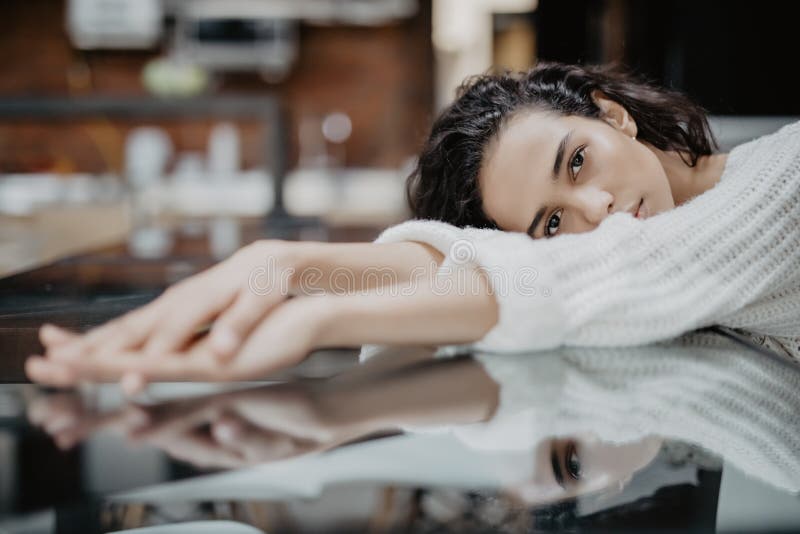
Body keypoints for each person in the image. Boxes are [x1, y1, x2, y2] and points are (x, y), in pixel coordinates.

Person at [26, 62, 800, 391]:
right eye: (551, 223)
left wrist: (320, 299)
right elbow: (510, 261)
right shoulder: (670, 246)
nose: (596, 214)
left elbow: (611, 273)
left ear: (613, 117)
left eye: (575, 162)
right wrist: (291, 269)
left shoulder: (784, 175)